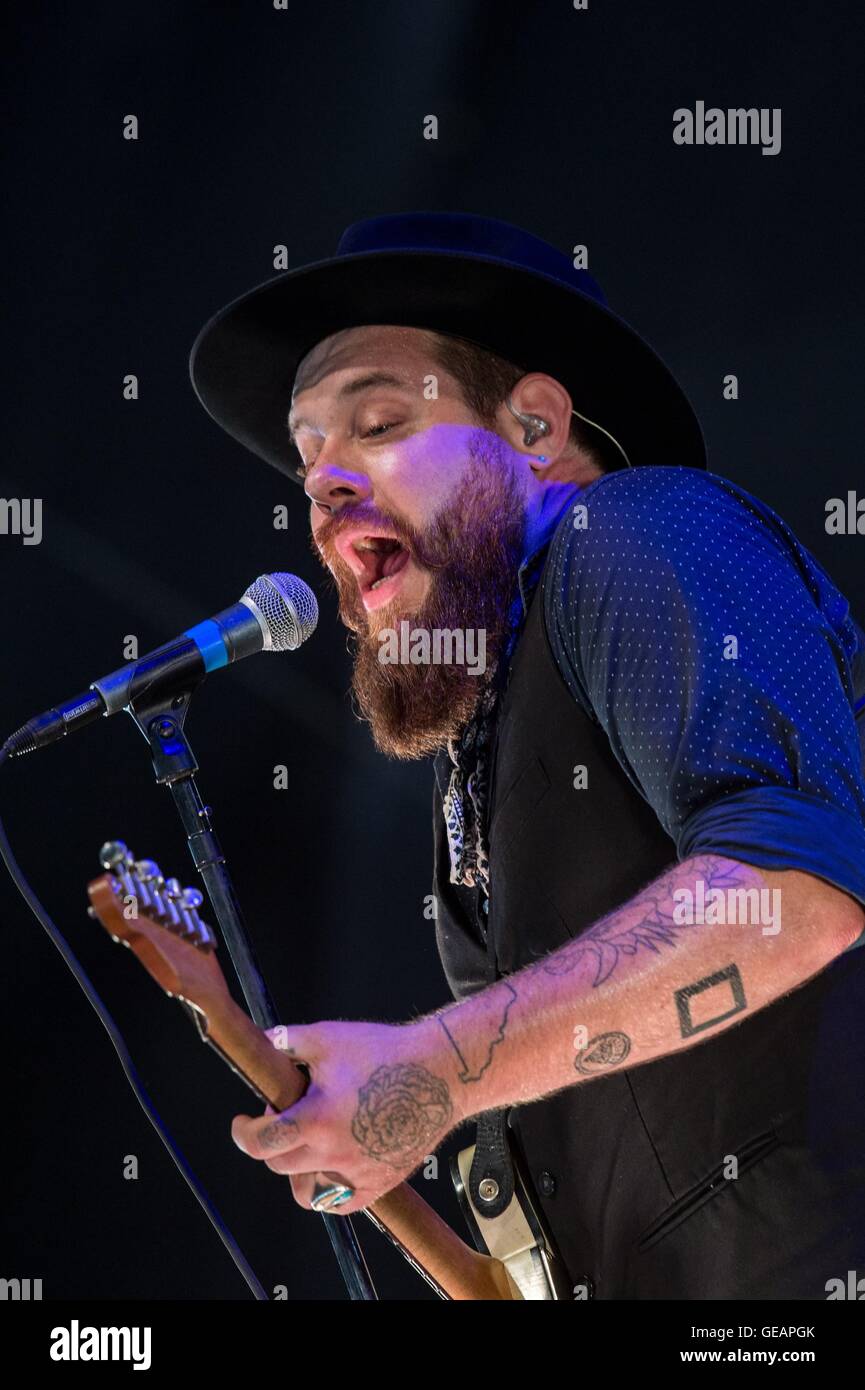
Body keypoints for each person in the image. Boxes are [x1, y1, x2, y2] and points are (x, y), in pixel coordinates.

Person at [190, 213, 865, 1298]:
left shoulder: (638, 528)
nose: (319, 488)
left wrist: (428, 1067)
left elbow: (794, 891)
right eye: (309, 455)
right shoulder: (486, 738)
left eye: (376, 421)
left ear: (537, 425)